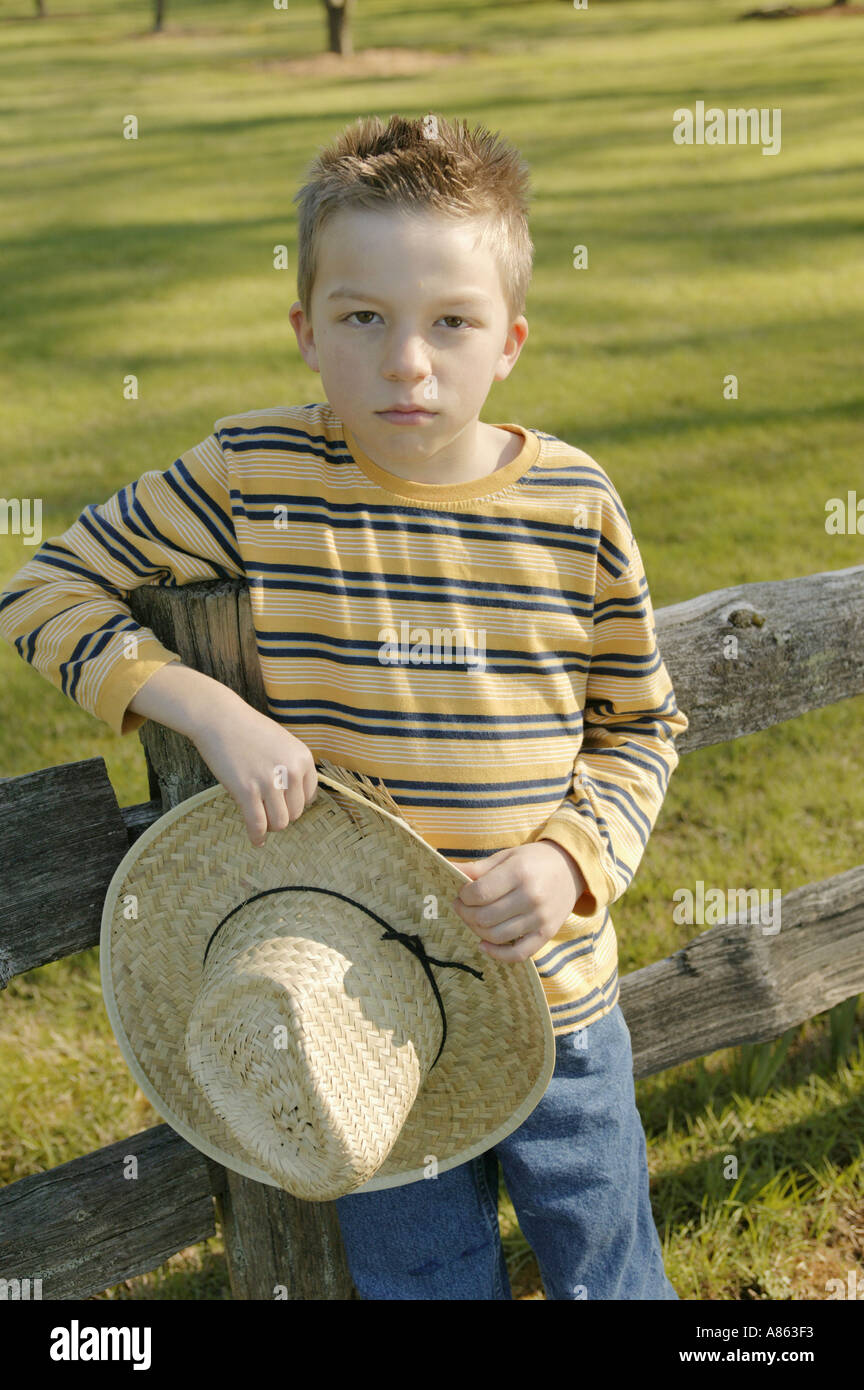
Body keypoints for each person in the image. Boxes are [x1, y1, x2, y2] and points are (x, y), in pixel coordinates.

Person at [0, 113, 688, 1300]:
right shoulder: (255, 474)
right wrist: (208, 709)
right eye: (363, 318)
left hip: (556, 996)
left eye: (451, 322)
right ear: (305, 331)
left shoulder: (574, 508)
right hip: (351, 1013)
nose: (407, 362)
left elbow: (639, 726)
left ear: (511, 339)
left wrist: (574, 856)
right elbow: (40, 588)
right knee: (424, 1282)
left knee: (608, 1273)